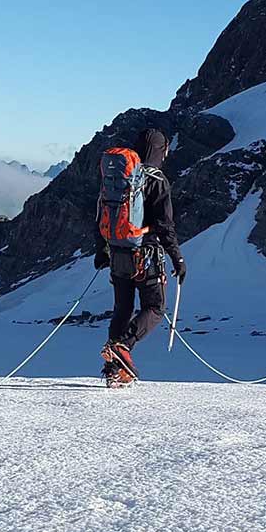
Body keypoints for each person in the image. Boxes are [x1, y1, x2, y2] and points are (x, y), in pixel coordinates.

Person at [95, 127, 185, 384]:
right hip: (147, 256)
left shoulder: (119, 178)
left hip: (118, 252)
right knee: (155, 308)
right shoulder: (156, 179)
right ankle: (123, 348)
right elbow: (165, 225)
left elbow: (101, 212)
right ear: (160, 150)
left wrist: (101, 250)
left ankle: (115, 369)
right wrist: (177, 258)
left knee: (122, 308)